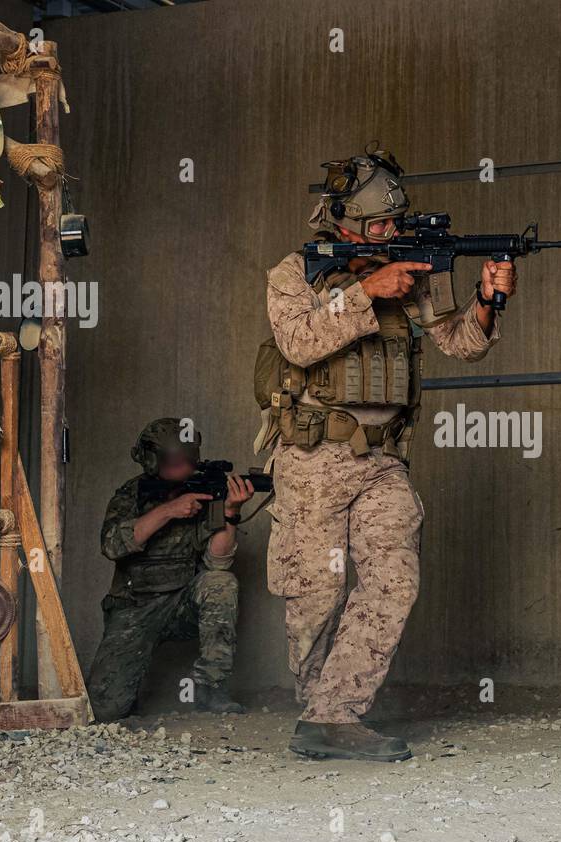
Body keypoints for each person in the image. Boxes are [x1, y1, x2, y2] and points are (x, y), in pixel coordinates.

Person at [259, 147, 516, 761]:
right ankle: (317, 705)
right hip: (313, 457)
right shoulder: (296, 273)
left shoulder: (414, 272)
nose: (391, 234)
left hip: (382, 461)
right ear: (343, 220)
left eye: (395, 224)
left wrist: (487, 299)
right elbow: (297, 343)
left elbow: (461, 343)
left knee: (395, 577)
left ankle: (335, 715)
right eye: (378, 226)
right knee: (316, 593)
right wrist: (366, 292)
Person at [88, 418, 254, 720]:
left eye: (190, 461)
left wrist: (229, 512)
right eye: (177, 463)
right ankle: (130, 688)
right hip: (134, 607)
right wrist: (168, 511)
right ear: (153, 462)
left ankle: (210, 686)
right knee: (106, 709)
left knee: (221, 582)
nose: (187, 469)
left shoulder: (204, 493)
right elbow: (112, 545)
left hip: (181, 605)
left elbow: (218, 561)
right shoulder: (131, 495)